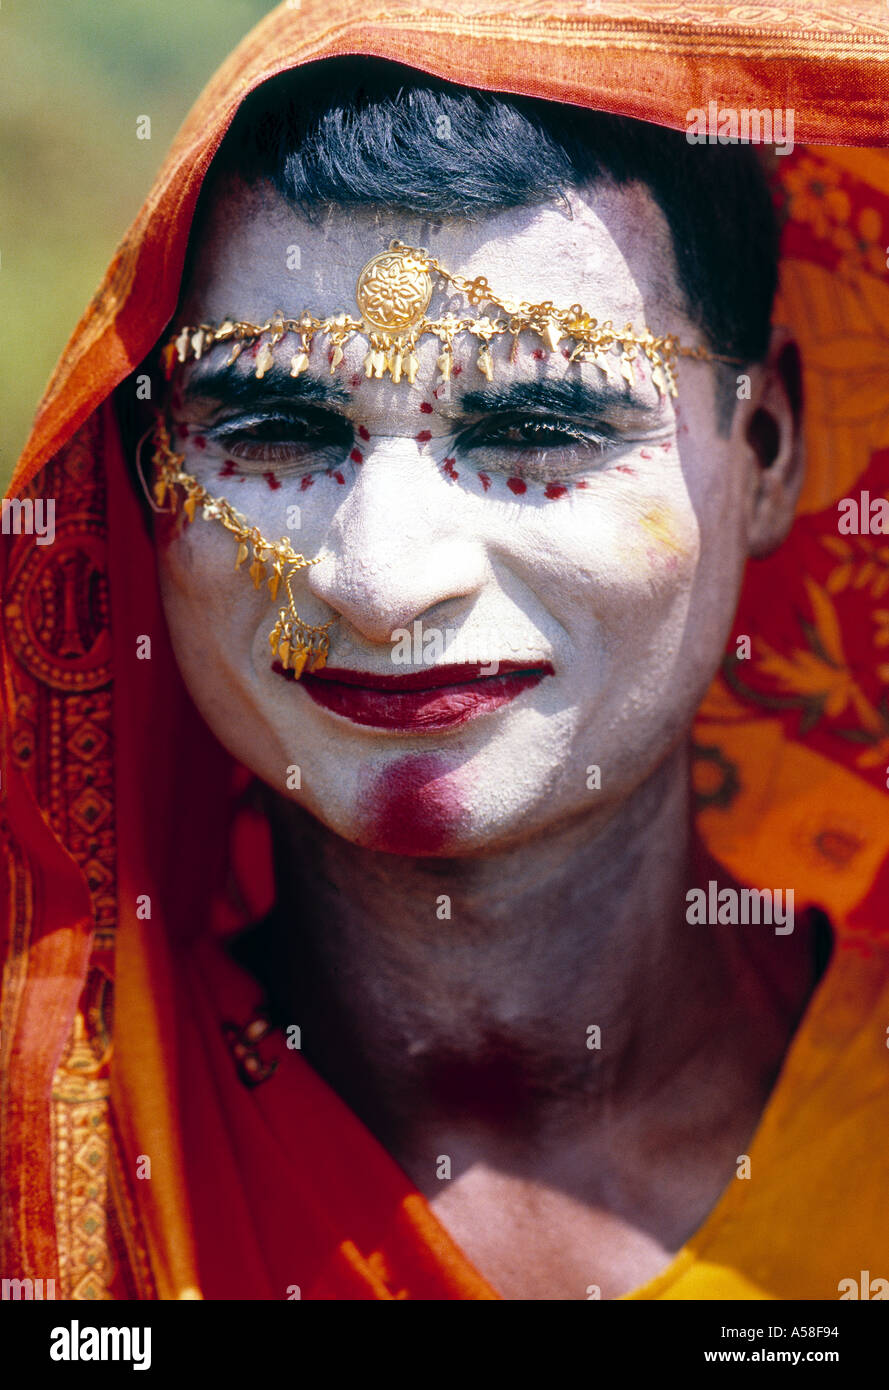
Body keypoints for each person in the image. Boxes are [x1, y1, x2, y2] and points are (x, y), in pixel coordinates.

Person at [3, 2, 888, 1303]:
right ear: (141, 469)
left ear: (765, 452)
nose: (380, 578)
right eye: (274, 427)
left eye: (535, 425)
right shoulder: (57, 1130)